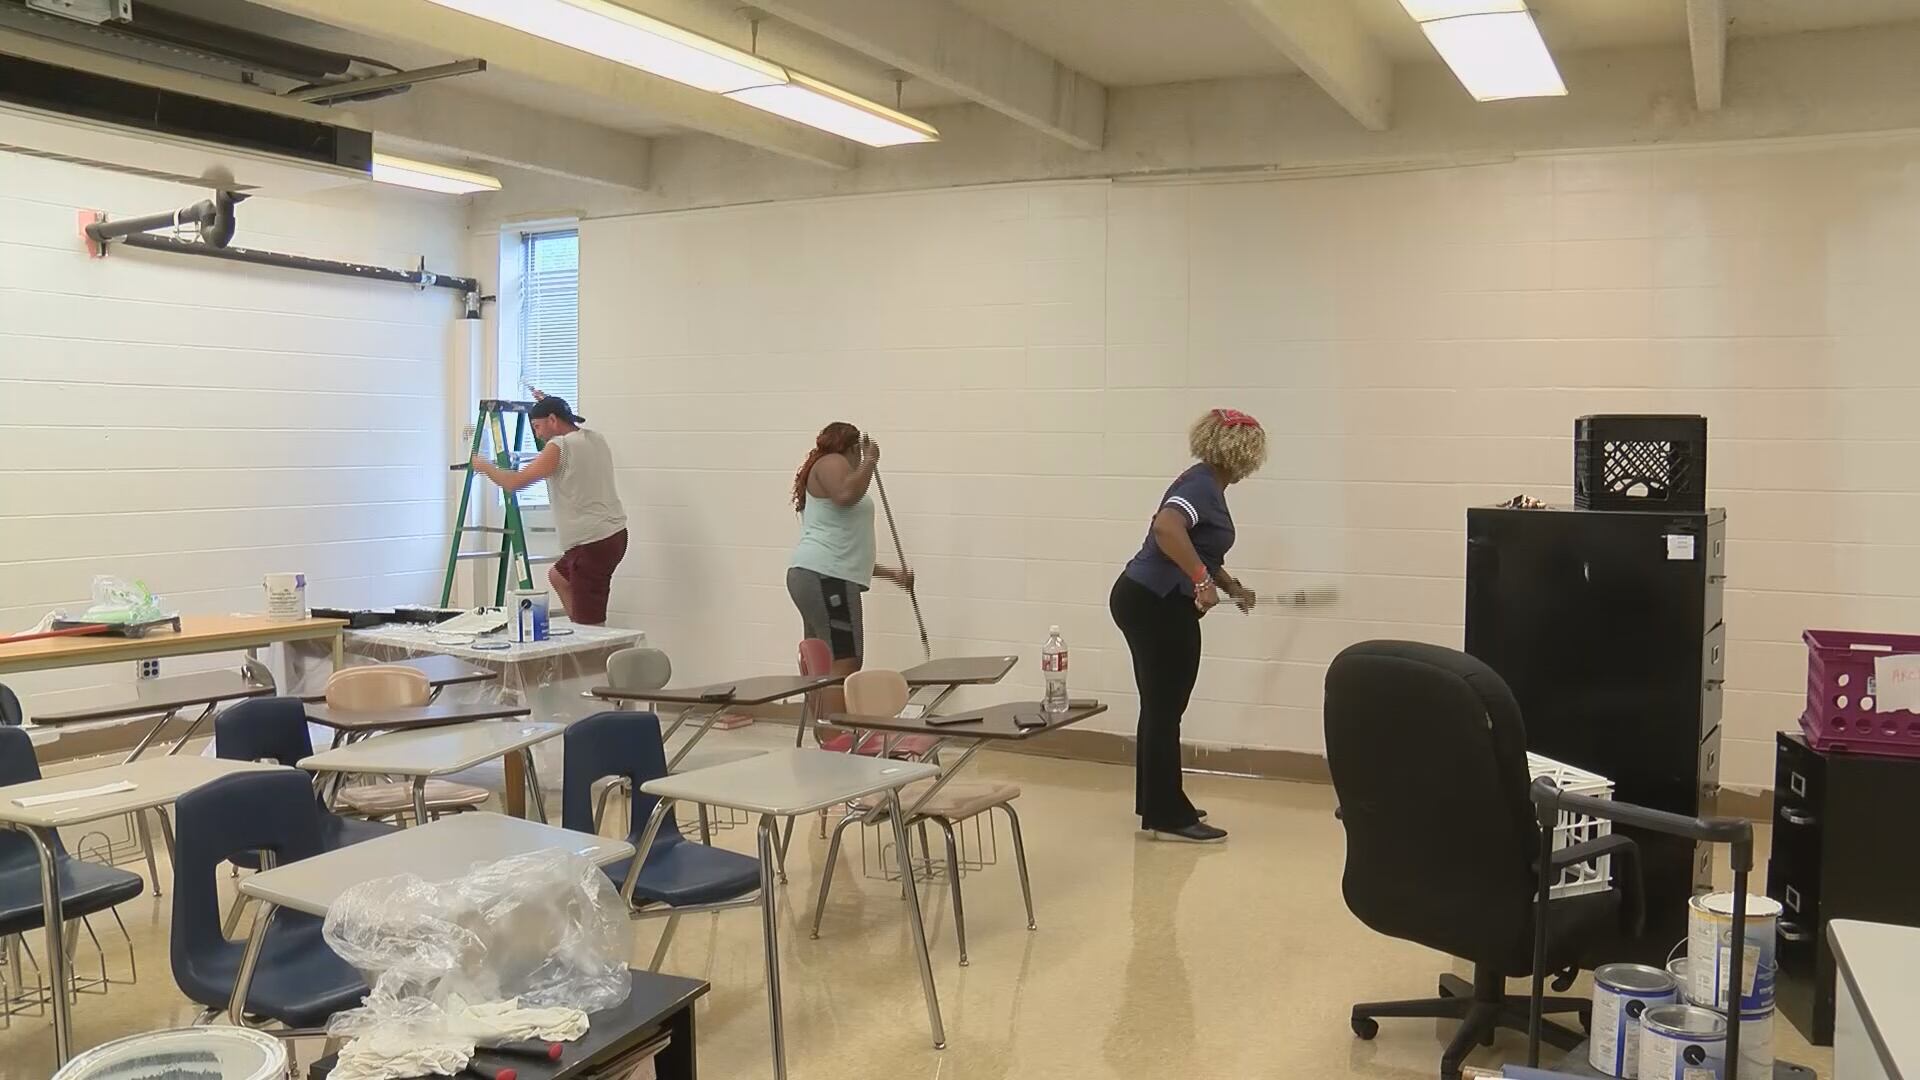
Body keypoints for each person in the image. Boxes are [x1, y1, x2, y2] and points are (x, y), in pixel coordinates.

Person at [1109, 408, 1268, 843]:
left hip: (1145, 597)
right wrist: (1201, 580)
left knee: (1160, 706)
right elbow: (1166, 529)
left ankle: (1157, 801)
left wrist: (1228, 585)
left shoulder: (1204, 484)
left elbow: (1198, 547)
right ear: (1243, 453)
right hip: (1155, 602)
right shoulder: (1201, 485)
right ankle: (1168, 815)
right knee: (1165, 707)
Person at [470, 392, 627, 626]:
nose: (537, 434)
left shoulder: (559, 446)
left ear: (553, 420)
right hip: (614, 536)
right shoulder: (595, 438)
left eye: (537, 426)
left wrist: (484, 466)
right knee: (558, 577)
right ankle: (581, 629)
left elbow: (514, 483)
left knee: (592, 624)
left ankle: (589, 640)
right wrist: (549, 402)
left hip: (591, 543)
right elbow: (570, 419)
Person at [787, 422, 913, 676]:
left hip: (815, 574)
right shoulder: (832, 461)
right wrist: (870, 461)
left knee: (822, 660)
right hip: (827, 578)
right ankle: (835, 704)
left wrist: (892, 575)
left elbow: (845, 552)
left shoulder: (825, 468)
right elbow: (846, 495)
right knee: (846, 660)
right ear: (854, 448)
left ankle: (820, 704)